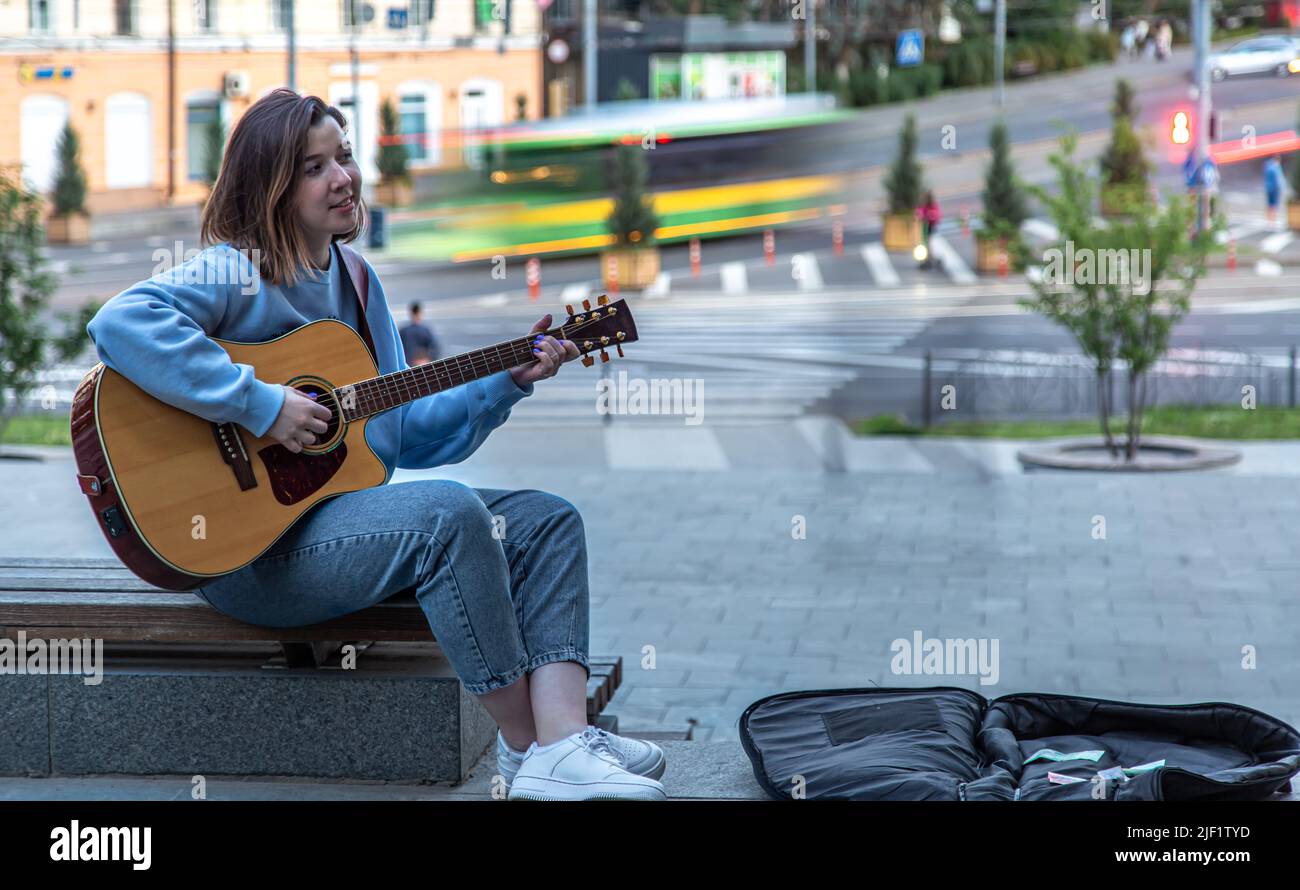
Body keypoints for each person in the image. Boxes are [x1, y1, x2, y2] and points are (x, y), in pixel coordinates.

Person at [84, 89, 667, 801]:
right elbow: (122, 321)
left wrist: (504, 384)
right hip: (242, 556)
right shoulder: (236, 271)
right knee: (448, 517)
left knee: (546, 520)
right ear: (270, 183)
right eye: (314, 166)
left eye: (346, 156)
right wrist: (260, 404)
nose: (344, 177)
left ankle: (565, 741)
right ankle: (531, 748)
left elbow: (397, 434)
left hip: (333, 532)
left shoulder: (358, 284)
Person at [399, 301, 439, 365]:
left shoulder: (404, 330)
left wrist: (426, 359)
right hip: (411, 364)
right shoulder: (425, 330)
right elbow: (435, 348)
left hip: (418, 363)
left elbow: (435, 349)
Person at [916, 190, 942, 270]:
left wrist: (930, 216)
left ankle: (929, 258)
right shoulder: (925, 205)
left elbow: (936, 215)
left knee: (928, 242)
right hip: (925, 226)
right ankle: (927, 257)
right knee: (925, 242)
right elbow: (919, 212)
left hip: (930, 226)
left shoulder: (932, 206)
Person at [1264, 154, 1286, 226]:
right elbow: (1278, 179)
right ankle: (1272, 220)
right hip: (1274, 189)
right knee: (1274, 205)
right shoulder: (1275, 167)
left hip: (1268, 188)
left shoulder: (1267, 165)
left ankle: (1269, 220)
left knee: (1270, 204)